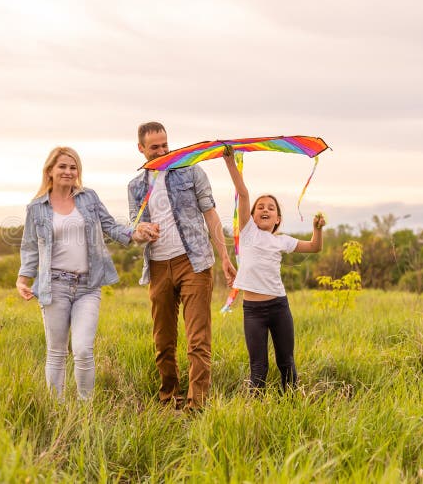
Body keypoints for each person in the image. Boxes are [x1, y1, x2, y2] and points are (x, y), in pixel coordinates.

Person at [17, 146, 156, 401]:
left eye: (73, 167)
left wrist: (135, 234)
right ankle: (55, 410)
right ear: (50, 171)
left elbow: (110, 226)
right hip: (54, 286)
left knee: (82, 350)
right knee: (56, 352)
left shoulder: (88, 198)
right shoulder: (36, 207)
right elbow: (29, 247)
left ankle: (85, 409)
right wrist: (23, 279)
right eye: (62, 167)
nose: (68, 172)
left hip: (88, 286)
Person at [128, 122, 237, 411]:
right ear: (141, 149)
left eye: (165, 144)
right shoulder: (136, 186)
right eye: (155, 147)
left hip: (195, 262)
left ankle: (196, 406)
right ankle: (169, 399)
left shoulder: (191, 172)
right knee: (163, 341)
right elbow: (135, 230)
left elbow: (211, 216)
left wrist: (225, 257)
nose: (163, 151)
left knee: (198, 340)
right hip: (159, 266)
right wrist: (141, 232)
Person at [222, 147, 325, 391]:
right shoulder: (247, 232)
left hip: (279, 307)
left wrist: (317, 228)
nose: (265, 209)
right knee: (258, 366)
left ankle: (290, 404)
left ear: (278, 218)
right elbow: (244, 193)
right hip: (253, 311)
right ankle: (255, 411)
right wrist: (230, 163)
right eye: (261, 207)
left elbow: (314, 247)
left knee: (286, 362)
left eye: (271, 207)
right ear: (252, 216)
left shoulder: (282, 240)